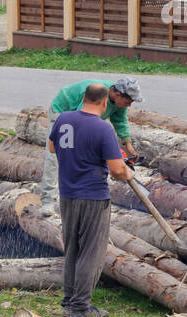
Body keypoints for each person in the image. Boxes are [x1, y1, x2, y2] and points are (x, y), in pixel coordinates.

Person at [47, 82, 135, 317]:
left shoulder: (63, 119)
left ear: (84, 98)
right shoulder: (102, 128)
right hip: (93, 196)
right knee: (92, 252)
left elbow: (53, 147)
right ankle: (80, 307)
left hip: (68, 194)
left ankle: (68, 300)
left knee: (73, 248)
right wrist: (129, 173)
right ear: (105, 102)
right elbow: (117, 170)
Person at [40, 76, 141, 216]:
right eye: (127, 102)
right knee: (56, 156)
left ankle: (76, 195)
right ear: (117, 94)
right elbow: (82, 121)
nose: (129, 105)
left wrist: (127, 143)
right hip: (63, 111)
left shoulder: (119, 101)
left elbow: (120, 120)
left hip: (83, 116)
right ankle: (48, 200)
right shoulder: (95, 93)